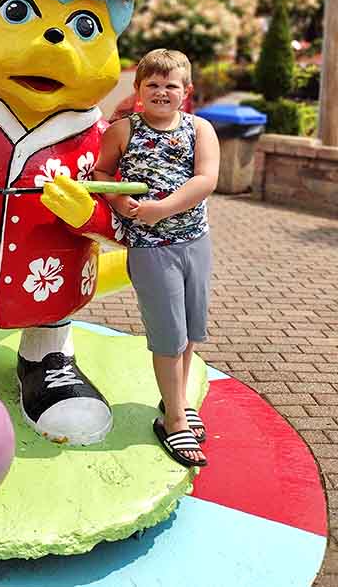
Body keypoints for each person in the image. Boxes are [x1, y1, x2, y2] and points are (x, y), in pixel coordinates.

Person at [94, 49, 220, 467]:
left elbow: (206, 178)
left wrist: (162, 208)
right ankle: (175, 423)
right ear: (138, 90)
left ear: (186, 91)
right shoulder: (122, 131)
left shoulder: (199, 130)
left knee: (189, 331)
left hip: (194, 243)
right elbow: (102, 174)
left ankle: (177, 404)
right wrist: (122, 202)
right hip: (150, 250)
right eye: (153, 85)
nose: (162, 92)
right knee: (168, 335)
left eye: (171, 85)